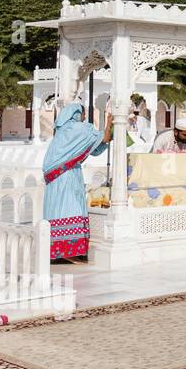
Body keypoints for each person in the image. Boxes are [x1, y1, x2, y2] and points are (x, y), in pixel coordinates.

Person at [42, 103, 112, 261]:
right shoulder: (78, 129)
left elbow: (93, 147)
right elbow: (105, 138)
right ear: (76, 114)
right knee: (71, 208)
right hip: (67, 177)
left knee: (57, 210)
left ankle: (57, 251)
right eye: (83, 114)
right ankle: (71, 251)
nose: (85, 117)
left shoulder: (61, 132)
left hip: (55, 179)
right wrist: (109, 122)